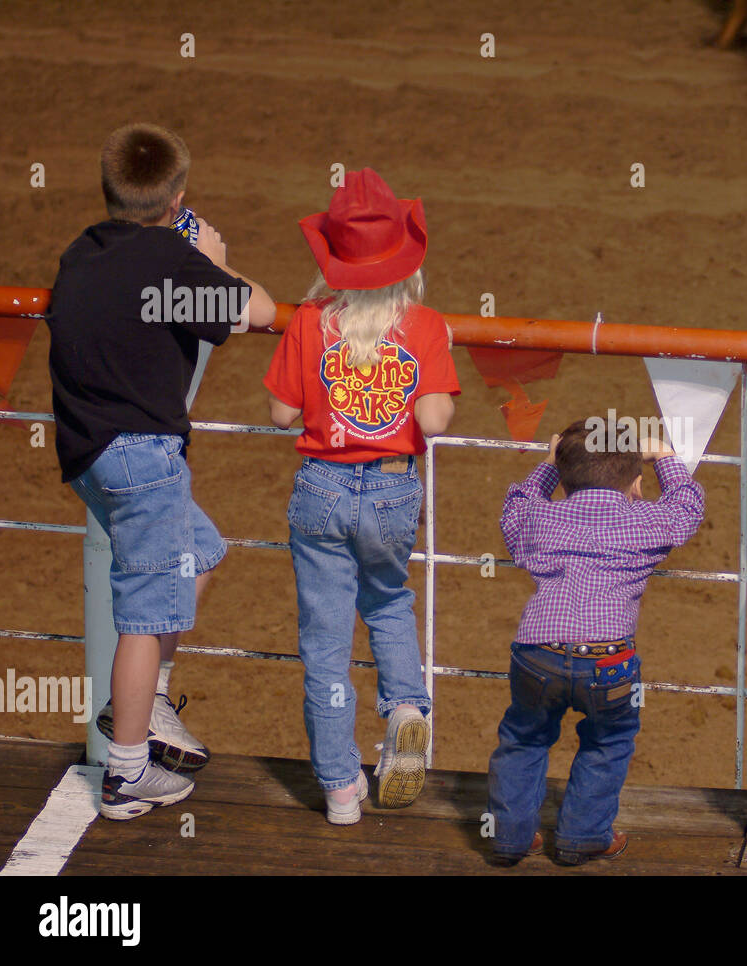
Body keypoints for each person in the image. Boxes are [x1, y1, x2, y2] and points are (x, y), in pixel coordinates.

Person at [47, 122, 277, 820]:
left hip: (89, 455)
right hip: (142, 459)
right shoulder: (172, 269)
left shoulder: (80, 252)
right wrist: (211, 257)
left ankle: (140, 709)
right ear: (178, 198)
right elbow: (257, 312)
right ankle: (125, 772)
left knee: (201, 552)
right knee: (147, 616)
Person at [264, 168, 459, 825]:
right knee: (388, 600)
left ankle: (342, 791)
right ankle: (406, 709)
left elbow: (280, 414)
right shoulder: (426, 325)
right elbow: (432, 421)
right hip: (391, 489)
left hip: (321, 485)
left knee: (324, 641)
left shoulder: (311, 322)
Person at [487, 420, 705, 865]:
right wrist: (664, 456)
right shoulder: (644, 521)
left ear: (564, 481)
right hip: (610, 659)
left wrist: (549, 464)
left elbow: (516, 509)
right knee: (610, 740)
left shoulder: (541, 518)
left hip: (537, 652)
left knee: (523, 739)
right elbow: (686, 508)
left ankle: (509, 837)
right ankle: (582, 836)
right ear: (637, 484)